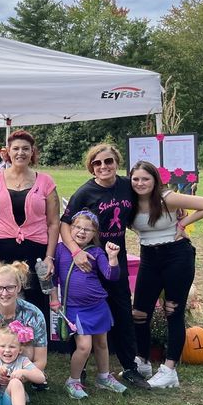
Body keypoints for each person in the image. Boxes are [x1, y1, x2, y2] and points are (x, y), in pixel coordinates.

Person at [59, 143, 149, 389]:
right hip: (89, 259)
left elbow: (149, 199)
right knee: (82, 309)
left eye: (108, 161)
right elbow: (64, 223)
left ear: (117, 162)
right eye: (97, 163)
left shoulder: (127, 185)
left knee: (122, 310)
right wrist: (76, 251)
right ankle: (80, 370)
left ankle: (129, 367)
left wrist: (176, 214)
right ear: (91, 167)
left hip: (115, 256)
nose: (103, 166)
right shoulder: (85, 192)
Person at [130, 161, 203, 389]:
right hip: (149, 257)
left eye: (145, 179)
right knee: (139, 312)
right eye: (136, 179)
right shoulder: (130, 201)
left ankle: (169, 370)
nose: (140, 183)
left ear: (155, 180)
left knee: (173, 311)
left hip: (177, 256)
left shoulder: (166, 198)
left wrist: (183, 224)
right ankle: (142, 361)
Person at [0, 129, 60, 332]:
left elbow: (53, 223)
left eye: (25, 149)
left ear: (32, 152)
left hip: (35, 252)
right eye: (15, 149)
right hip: (0, 251)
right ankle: (2, 341)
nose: (20, 153)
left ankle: (35, 342)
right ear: (8, 152)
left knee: (34, 300)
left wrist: (49, 258)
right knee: (3, 299)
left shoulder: (46, 182)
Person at [53, 211, 127, 399]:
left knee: (101, 343)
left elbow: (111, 276)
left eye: (87, 229)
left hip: (98, 305)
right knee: (84, 347)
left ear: (95, 233)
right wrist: (53, 298)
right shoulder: (61, 250)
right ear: (70, 228)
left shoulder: (96, 252)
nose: (81, 232)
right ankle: (73, 380)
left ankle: (103, 377)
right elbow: (52, 277)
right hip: (75, 308)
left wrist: (112, 258)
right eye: (77, 227)